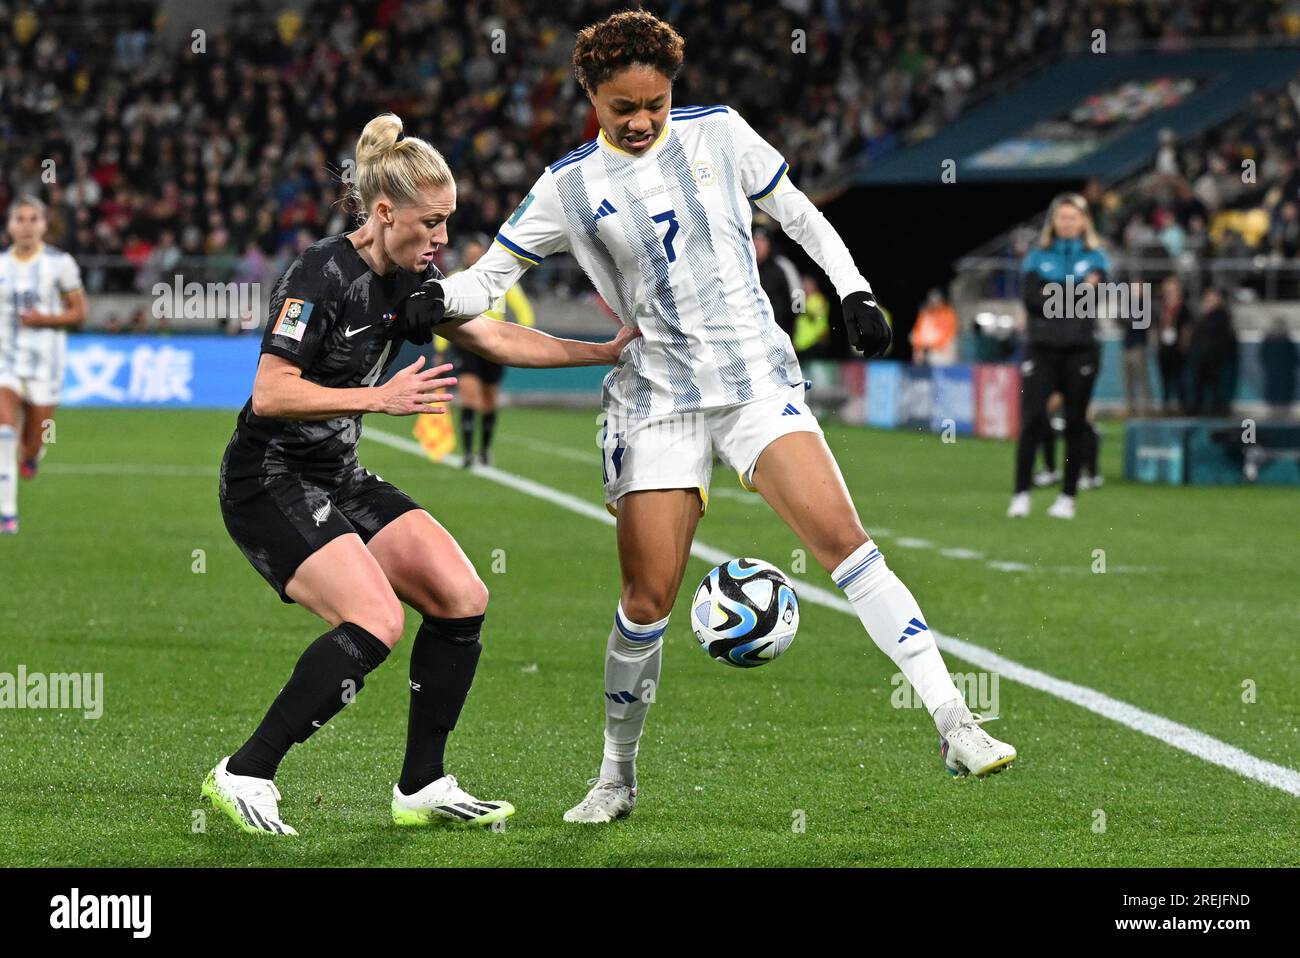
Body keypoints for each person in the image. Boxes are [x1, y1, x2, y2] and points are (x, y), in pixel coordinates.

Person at [401, 10, 1015, 823]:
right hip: (655, 400)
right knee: (647, 599)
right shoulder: (567, 187)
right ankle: (616, 777)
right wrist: (437, 296)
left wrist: (855, 288)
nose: (641, 118)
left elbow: (798, 212)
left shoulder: (721, 133)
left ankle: (953, 720)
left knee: (845, 543)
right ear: (590, 93)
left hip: (754, 380)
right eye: (623, 104)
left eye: (654, 101)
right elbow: (488, 278)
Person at [204, 113, 636, 837]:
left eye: (448, 221)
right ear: (383, 212)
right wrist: (377, 397)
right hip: (268, 476)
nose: (442, 238)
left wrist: (601, 352)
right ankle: (246, 771)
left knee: (462, 596)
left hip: (335, 473)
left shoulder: (414, 281)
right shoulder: (321, 273)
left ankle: (422, 784)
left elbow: (492, 334)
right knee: (376, 620)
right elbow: (270, 392)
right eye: (432, 222)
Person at [1008, 193, 1110, 519]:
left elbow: (1093, 299)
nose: (1067, 223)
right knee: (1032, 420)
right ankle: (1021, 493)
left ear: (1083, 222)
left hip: (1081, 351)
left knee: (1076, 422)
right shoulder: (1038, 257)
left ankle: (1068, 497)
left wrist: (1054, 294)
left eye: (1073, 217)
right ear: (1054, 222)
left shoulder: (1096, 257)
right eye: (1062, 218)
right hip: (1041, 350)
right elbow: (1031, 301)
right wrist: (1079, 288)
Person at [0, 196, 87, 535]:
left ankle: (31, 455)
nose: (25, 225)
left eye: (33, 218)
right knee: (4, 433)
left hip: (46, 364)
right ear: (9, 226)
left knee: (31, 442)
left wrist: (43, 320)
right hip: (5, 360)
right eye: (19, 219)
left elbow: (79, 313)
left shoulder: (60, 264)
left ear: (43, 225)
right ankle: (8, 514)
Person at [447, 234, 536, 468]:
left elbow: (524, 311)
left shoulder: (501, 279)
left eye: (478, 252)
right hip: (466, 343)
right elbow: (441, 311)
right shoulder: (456, 277)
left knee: (489, 398)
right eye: (470, 253)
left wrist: (519, 338)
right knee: (469, 394)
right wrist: (441, 346)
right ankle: (467, 453)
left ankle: (484, 450)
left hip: (495, 344)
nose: (474, 257)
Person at [1186, 287, 1238, 416]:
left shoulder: (1222, 316)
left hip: (1214, 358)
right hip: (1201, 357)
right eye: (1207, 299)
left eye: (1212, 299)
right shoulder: (1202, 316)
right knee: (1198, 385)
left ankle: (1217, 409)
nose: (1209, 302)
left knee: (1216, 386)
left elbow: (1218, 336)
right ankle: (1198, 408)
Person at [1155, 275, 1191, 414]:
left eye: (1173, 289)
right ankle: (1166, 406)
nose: (1170, 292)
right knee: (1165, 380)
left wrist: (1184, 344)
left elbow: (1188, 328)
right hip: (1164, 350)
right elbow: (1156, 326)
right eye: (1168, 289)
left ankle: (1183, 406)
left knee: (1180, 380)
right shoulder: (1161, 307)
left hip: (1178, 350)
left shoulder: (1183, 307)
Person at [1121, 279, 1152, 416]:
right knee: (1129, 382)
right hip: (1127, 346)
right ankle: (1131, 409)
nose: (1133, 291)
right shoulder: (1129, 304)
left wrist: (1128, 320)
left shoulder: (1144, 305)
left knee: (1142, 379)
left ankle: (1146, 409)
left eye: (1136, 288)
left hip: (1138, 346)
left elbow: (1141, 323)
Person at [910, 288, 958, 366]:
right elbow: (917, 331)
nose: (933, 303)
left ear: (941, 300)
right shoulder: (925, 314)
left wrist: (930, 346)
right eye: (931, 300)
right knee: (913, 338)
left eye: (936, 300)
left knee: (937, 355)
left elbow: (947, 335)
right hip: (928, 347)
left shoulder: (947, 313)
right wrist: (918, 347)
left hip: (941, 348)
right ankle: (919, 371)